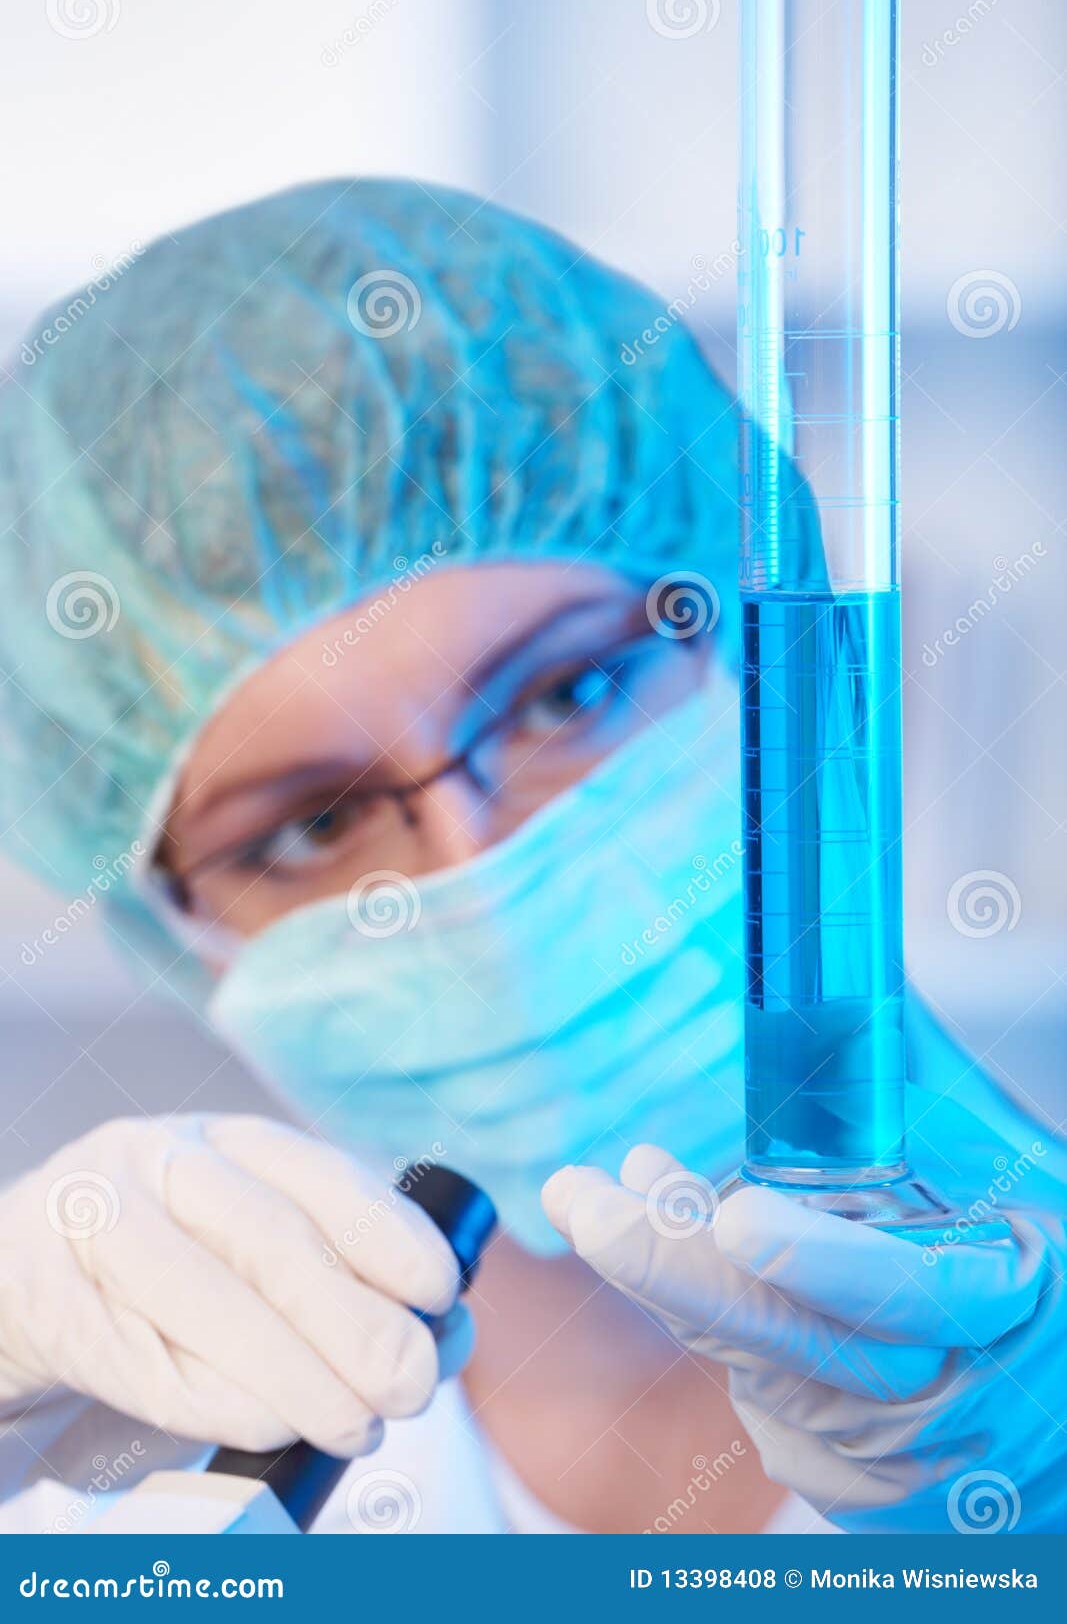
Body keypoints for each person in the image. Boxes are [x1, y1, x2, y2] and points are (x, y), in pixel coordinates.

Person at [0, 180, 1062, 1536]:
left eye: (566, 695)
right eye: (316, 822)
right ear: (174, 924)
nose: (478, 877)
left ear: (758, 640)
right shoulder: (118, 1521)